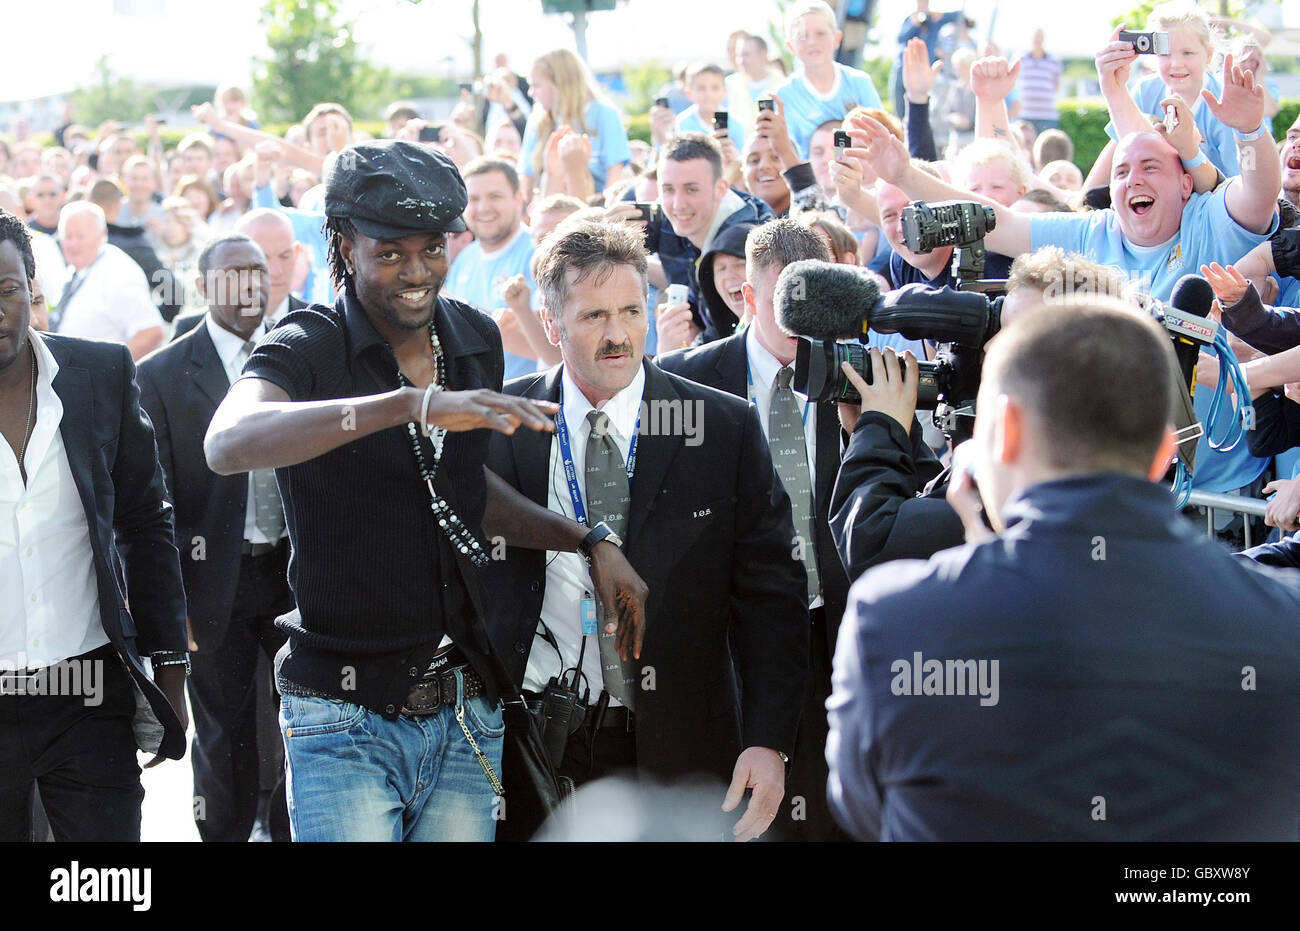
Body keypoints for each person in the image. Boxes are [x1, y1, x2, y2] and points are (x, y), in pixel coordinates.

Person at [202, 140, 647, 842]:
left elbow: (466, 493)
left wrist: (587, 539)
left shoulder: (471, 337)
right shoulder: (307, 345)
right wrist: (409, 405)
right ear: (344, 247)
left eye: (433, 249)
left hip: (466, 710)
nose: (417, 273)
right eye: (390, 253)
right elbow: (227, 442)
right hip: (341, 715)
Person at [827, 297, 1300, 840]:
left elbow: (864, 806)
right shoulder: (1284, 621)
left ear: (1001, 431)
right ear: (1167, 453)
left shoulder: (895, 619)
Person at [483, 217, 808, 841]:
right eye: (592, 316)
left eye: (631, 311)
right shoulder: (504, 425)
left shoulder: (722, 427)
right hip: (534, 749)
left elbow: (772, 597)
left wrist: (769, 742)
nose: (617, 336)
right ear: (551, 324)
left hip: (684, 748)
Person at [844, 72, 1280, 497]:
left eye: (1151, 167)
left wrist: (1250, 131)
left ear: (1186, 183)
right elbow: (997, 220)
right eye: (1123, 171)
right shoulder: (1093, 232)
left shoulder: (1209, 219)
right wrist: (903, 174)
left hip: (1221, 497)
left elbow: (1259, 193)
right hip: (1120, 494)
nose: (1134, 180)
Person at [656, 219, 850, 840]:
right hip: (729, 652)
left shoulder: (863, 375)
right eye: (785, 306)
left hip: (836, 641)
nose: (804, 324)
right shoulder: (682, 384)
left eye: (817, 305)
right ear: (746, 297)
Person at [0, 208, 189, 841]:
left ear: (34, 289)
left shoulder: (100, 376)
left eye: (5, 290)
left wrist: (169, 668)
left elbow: (146, 524)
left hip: (87, 694)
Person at [830, 246, 1127, 581]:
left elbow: (873, 545)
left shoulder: (1026, 479)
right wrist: (893, 431)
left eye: (1013, 337)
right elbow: (935, 505)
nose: (987, 348)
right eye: (995, 329)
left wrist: (880, 428)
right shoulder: (1084, 455)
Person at [137, 233, 292, 843]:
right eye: (233, 275)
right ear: (202, 286)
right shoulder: (163, 375)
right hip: (212, 584)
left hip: (294, 574)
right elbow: (153, 506)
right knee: (224, 731)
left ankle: (288, 833)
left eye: (257, 271)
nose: (249, 285)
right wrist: (175, 605)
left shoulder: (297, 354)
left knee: (301, 723)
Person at [644, 133, 774, 346]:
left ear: (721, 188)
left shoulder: (751, 242)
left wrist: (670, 355)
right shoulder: (671, 217)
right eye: (668, 190)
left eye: (691, 190)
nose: (678, 204)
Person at [441, 157, 544, 380]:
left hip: (527, 401)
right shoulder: (465, 258)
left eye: (495, 197)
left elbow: (551, 348)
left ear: (519, 199)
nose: (483, 208)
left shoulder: (539, 253)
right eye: (474, 199)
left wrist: (461, 313)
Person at [53, 202, 165, 360]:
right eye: (67, 236)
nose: (73, 244)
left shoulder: (118, 273)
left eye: (80, 236)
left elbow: (151, 333)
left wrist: (108, 373)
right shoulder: (74, 270)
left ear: (102, 235)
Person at [775, 0, 883, 160]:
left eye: (820, 33)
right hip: (809, 181)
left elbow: (882, 137)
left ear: (837, 38)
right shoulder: (783, 96)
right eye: (802, 36)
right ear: (790, 46)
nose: (812, 42)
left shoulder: (859, 82)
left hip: (861, 176)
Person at [520, 49, 631, 199]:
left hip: (593, 210)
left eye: (537, 86)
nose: (531, 93)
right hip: (547, 208)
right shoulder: (537, 121)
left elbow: (614, 178)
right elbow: (526, 177)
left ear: (560, 84)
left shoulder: (604, 114)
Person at [890, 1, 964, 120]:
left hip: (923, 73)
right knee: (899, 110)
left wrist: (939, 14)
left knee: (918, 110)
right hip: (902, 70)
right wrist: (914, 23)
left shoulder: (934, 21)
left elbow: (960, 15)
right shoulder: (911, 19)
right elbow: (900, 38)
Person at [675, 63, 745, 152]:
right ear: (689, 93)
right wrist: (708, 146)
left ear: (725, 91)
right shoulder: (683, 123)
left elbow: (742, 160)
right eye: (701, 88)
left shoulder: (736, 124)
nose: (708, 94)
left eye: (715, 88)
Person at [1017, 28, 1063, 134]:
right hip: (1025, 114)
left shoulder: (1054, 61)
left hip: (1047, 115)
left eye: (1039, 37)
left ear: (1043, 39)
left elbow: (1057, 84)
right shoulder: (1020, 58)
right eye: (1035, 37)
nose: (1037, 40)